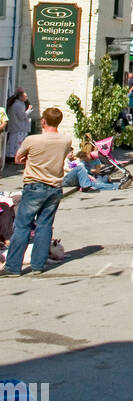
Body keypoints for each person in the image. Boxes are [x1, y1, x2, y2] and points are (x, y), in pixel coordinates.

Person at [1, 107, 72, 277]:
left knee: (22, 226)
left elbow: (18, 158)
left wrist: (29, 159)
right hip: (54, 186)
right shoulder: (66, 140)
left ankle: (13, 266)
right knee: (45, 225)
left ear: (43, 121)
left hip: (34, 185)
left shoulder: (32, 140)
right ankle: (38, 264)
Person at [5, 90, 32, 160]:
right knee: (16, 144)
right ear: (20, 96)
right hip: (18, 128)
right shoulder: (19, 105)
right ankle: (14, 157)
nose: (27, 97)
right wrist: (28, 111)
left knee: (12, 143)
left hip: (15, 127)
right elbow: (21, 116)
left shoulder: (16, 103)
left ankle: (11, 156)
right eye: (25, 96)